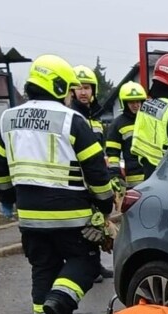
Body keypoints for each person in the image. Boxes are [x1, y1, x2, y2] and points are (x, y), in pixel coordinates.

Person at [0, 54, 115, 314]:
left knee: (43, 267)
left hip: (30, 216)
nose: (73, 95)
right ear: (58, 86)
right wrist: (105, 203)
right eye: (71, 89)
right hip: (70, 213)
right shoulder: (72, 120)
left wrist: (8, 199)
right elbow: (95, 169)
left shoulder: (8, 118)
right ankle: (60, 301)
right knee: (84, 261)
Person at [71, 65, 113, 283]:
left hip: (95, 177)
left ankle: (96, 265)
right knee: (84, 226)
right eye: (78, 88)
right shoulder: (72, 117)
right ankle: (87, 267)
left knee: (97, 223)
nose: (83, 92)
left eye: (87, 87)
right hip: (79, 180)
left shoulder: (95, 119)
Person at [105, 81, 147, 189]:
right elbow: (113, 153)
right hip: (132, 179)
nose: (135, 105)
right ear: (124, 103)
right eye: (131, 102)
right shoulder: (117, 124)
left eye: (138, 101)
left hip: (152, 175)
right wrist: (115, 175)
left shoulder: (149, 120)